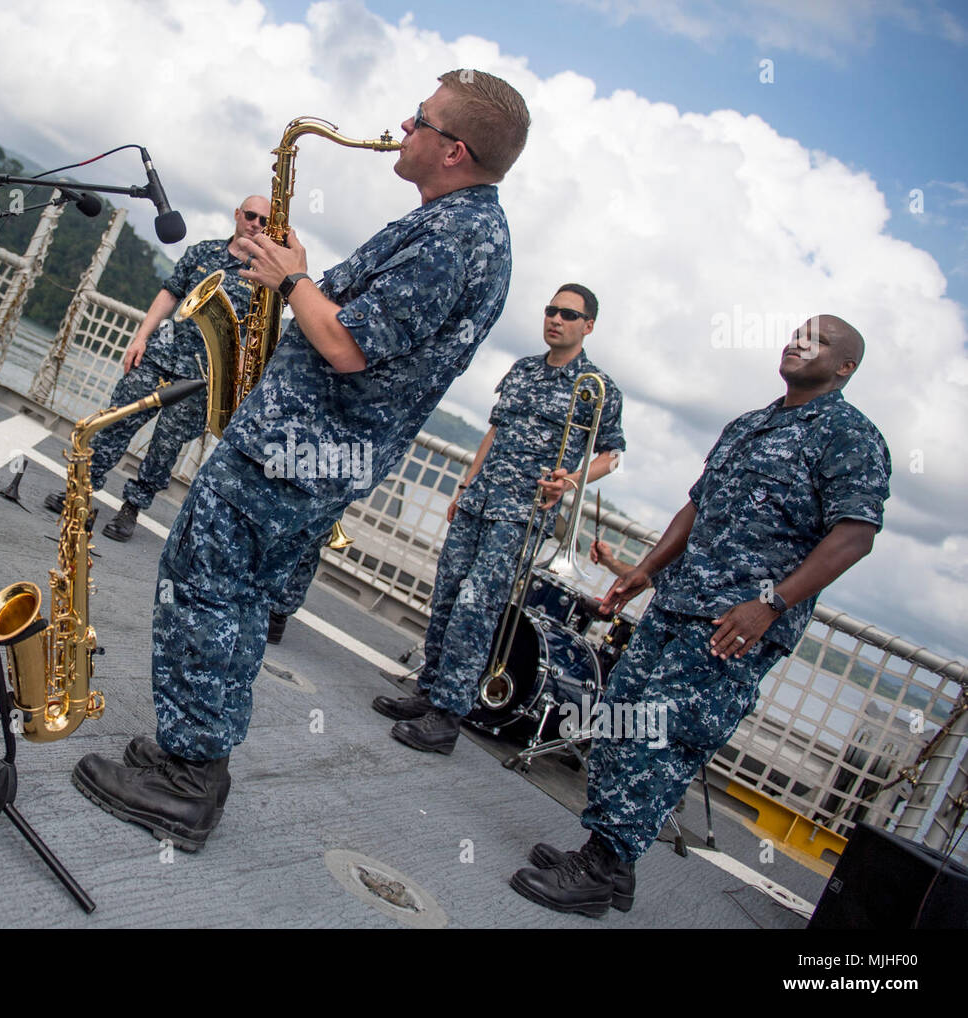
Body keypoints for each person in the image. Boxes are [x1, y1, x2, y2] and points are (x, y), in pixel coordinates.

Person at [72, 69, 531, 850]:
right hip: (309, 453)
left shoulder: (453, 238)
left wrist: (294, 279)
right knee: (241, 600)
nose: (401, 125)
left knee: (206, 588)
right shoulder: (460, 227)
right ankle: (194, 757)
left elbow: (348, 346)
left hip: (292, 454)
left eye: (418, 119)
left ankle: (186, 783)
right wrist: (303, 276)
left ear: (454, 150)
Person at [509, 315, 891, 917]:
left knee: (659, 740)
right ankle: (614, 861)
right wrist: (643, 572)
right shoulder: (750, 424)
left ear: (844, 367)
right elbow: (696, 505)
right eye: (796, 333)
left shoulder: (849, 436)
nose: (798, 342)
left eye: (817, 341)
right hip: (677, 604)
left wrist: (771, 604)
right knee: (620, 721)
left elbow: (854, 536)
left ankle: (601, 867)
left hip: (734, 627)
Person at [372, 284, 625, 754]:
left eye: (568, 314)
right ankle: (429, 691)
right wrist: (466, 484)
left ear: (588, 325)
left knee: (477, 604)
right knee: (447, 593)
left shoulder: (597, 389)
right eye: (551, 310)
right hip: (480, 499)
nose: (556, 319)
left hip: (522, 514)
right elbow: (495, 430)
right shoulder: (524, 369)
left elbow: (611, 456)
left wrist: (569, 482)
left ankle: (448, 715)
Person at [45, 197, 267, 541]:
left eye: (264, 221)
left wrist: (232, 385)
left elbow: (256, 337)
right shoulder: (201, 252)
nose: (255, 223)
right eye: (250, 215)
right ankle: (81, 494)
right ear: (237, 215)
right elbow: (169, 293)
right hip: (160, 356)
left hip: (200, 378)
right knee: (115, 422)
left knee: (165, 448)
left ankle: (130, 510)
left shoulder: (265, 279)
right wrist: (140, 337)